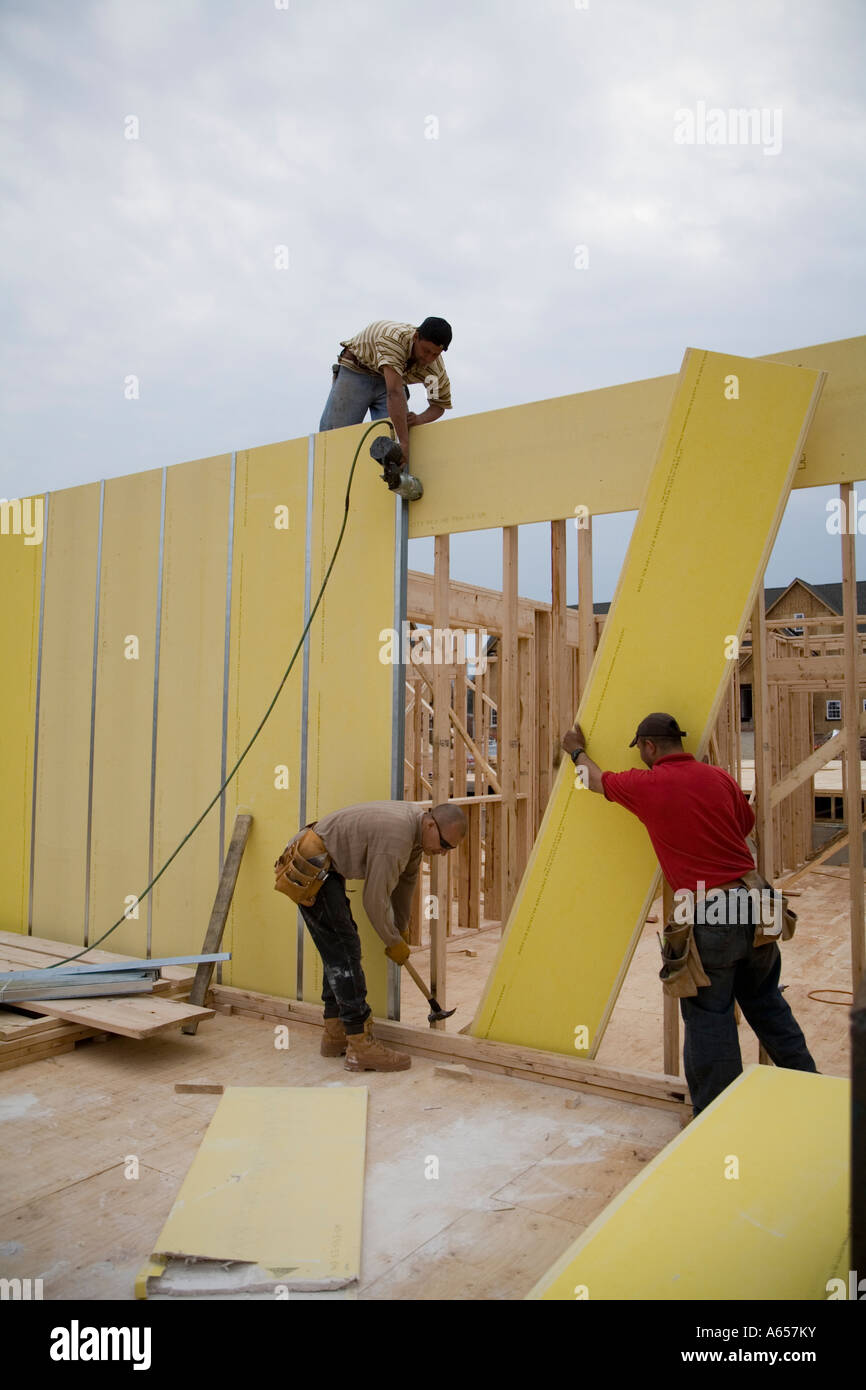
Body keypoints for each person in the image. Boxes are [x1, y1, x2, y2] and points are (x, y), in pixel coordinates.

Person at [561, 712, 817, 1114]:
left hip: (711, 911)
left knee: (710, 1018)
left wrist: (575, 749)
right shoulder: (720, 778)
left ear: (648, 747)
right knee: (767, 1003)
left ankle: (718, 1122)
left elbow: (590, 780)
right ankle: (812, 1095)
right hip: (756, 901)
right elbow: (743, 825)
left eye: (641, 750)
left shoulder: (648, 785)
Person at [277, 800, 467, 1072]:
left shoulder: (416, 837)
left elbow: (406, 883)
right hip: (310, 864)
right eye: (445, 845)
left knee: (339, 950)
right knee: (345, 949)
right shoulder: (398, 837)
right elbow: (374, 900)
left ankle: (335, 1034)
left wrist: (401, 929)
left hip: (325, 865)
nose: (444, 853)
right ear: (430, 824)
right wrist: (392, 941)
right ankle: (360, 1044)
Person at [319, 317, 453, 473]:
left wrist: (419, 419)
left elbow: (438, 405)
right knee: (333, 439)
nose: (428, 358)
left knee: (394, 447)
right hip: (357, 370)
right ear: (416, 337)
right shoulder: (394, 340)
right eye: (426, 351)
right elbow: (394, 394)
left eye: (435, 354)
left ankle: (396, 489)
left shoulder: (434, 371)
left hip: (391, 380)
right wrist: (404, 443)